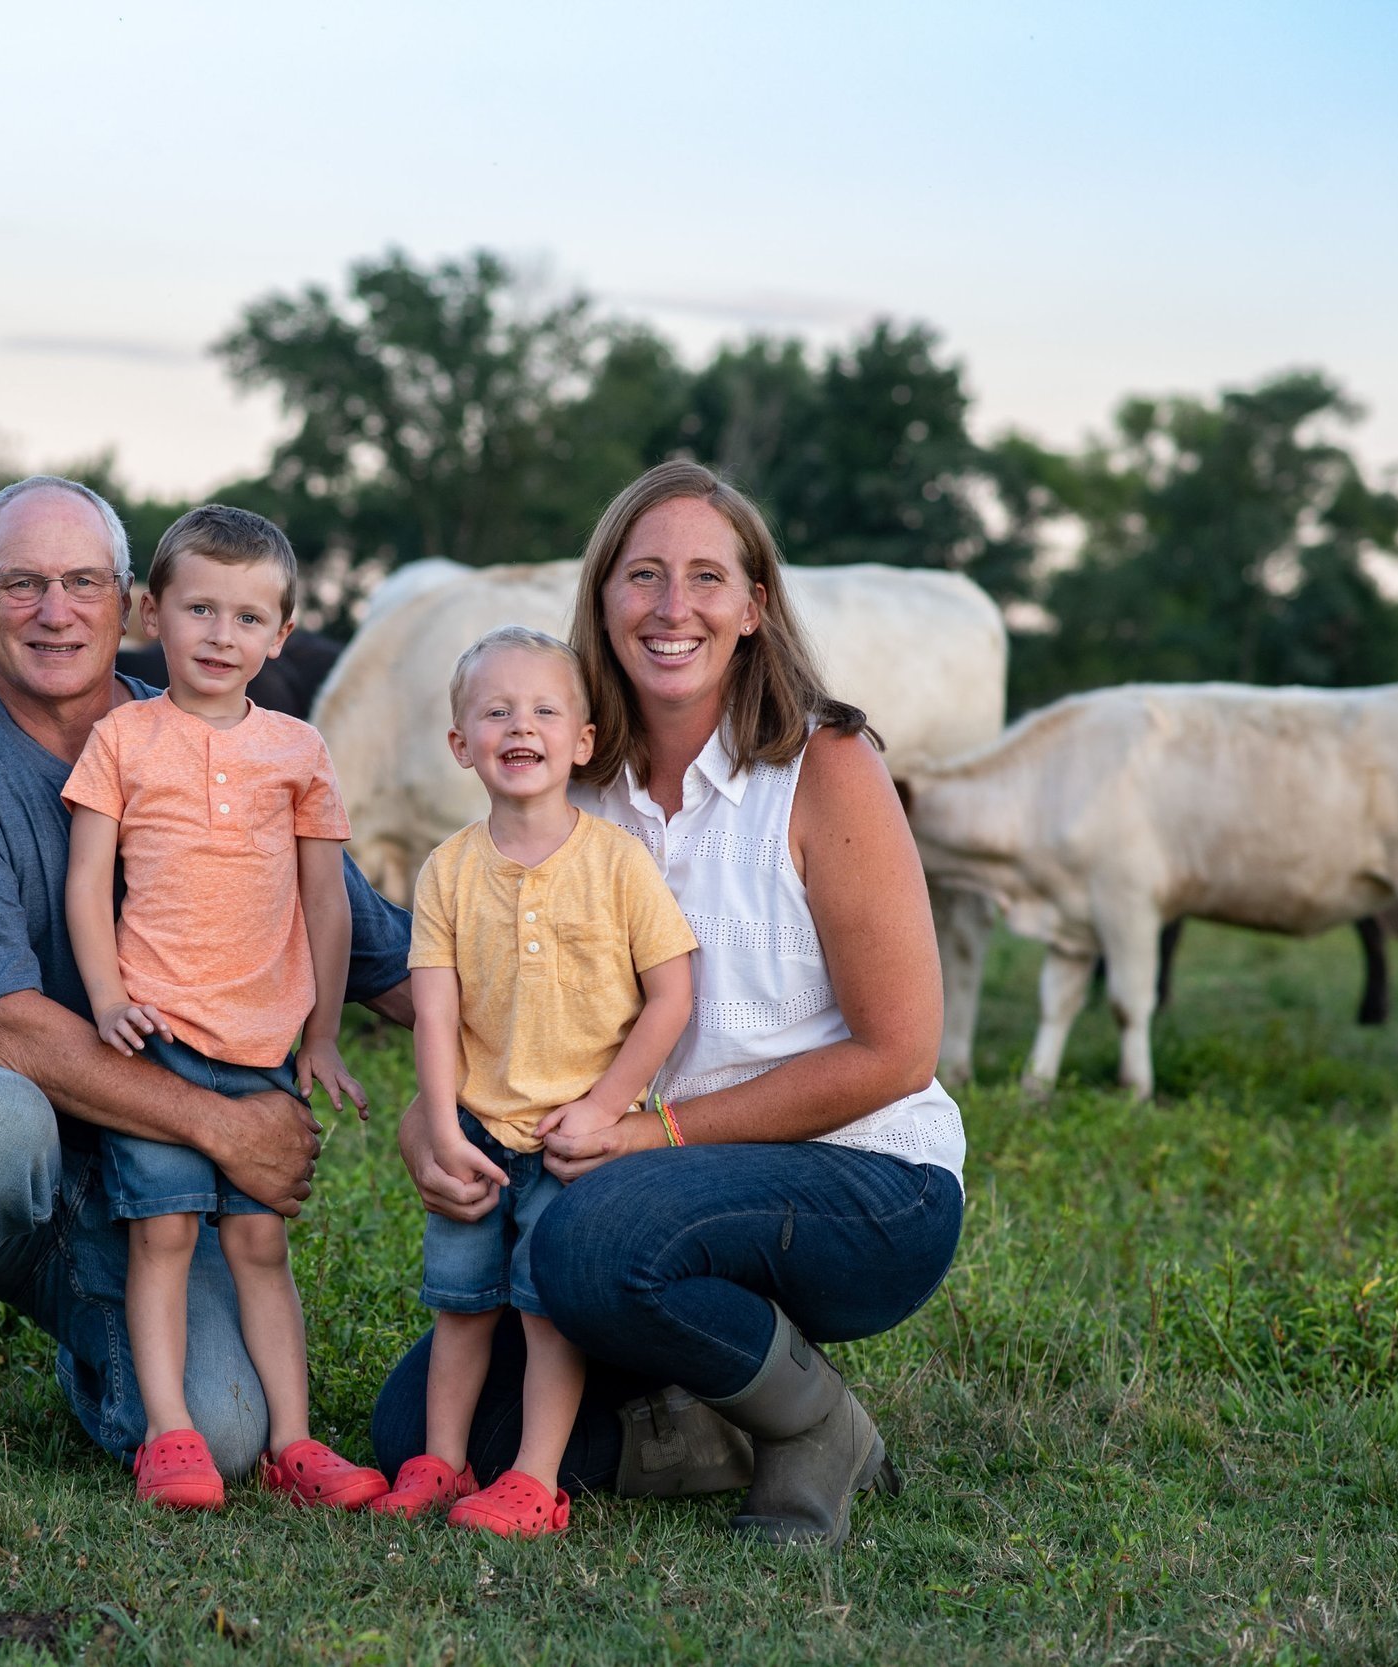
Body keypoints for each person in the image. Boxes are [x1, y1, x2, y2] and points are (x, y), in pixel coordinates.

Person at [372, 460, 966, 1547]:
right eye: (641, 575)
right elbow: (498, 1002)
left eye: (705, 576)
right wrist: (432, 1120)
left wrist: (658, 1133)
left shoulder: (824, 766)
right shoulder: (564, 784)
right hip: (627, 1183)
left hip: (868, 1179)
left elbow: (897, 1050)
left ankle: (817, 1428)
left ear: (754, 606)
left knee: (588, 1243)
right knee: (414, 1419)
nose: (671, 605)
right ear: (602, 598)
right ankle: (714, 1417)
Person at [0, 477, 413, 1475]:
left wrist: (575, 996)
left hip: (135, 1166)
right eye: (21, 583)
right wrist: (225, 1123)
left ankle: (94, 1315)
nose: (54, 609)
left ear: (128, 603)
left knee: (225, 1431)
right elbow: (4, 1030)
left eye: (81, 581)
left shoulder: (236, 749)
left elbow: (387, 956)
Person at [62, 505, 381, 1512]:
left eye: (248, 617)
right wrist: (108, 994)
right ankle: (169, 1433)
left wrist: (322, 1029)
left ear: (282, 634)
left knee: (258, 1244)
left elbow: (327, 900)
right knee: (160, 1234)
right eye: (199, 608)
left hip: (260, 1045)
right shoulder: (125, 735)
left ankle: (292, 1439)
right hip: (153, 1040)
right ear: (153, 613)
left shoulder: (298, 751)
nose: (219, 634)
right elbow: (87, 879)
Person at [371, 627, 694, 1539]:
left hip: (576, 1141)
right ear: (459, 743)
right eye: (496, 711)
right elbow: (435, 1014)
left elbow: (671, 994)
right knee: (461, 1306)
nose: (523, 726)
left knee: (549, 1314)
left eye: (547, 709)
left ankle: (532, 1478)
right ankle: (440, 1461)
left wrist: (603, 1104)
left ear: (583, 739)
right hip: (477, 1130)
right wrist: (438, 1126)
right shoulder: (448, 870)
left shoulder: (617, 861)